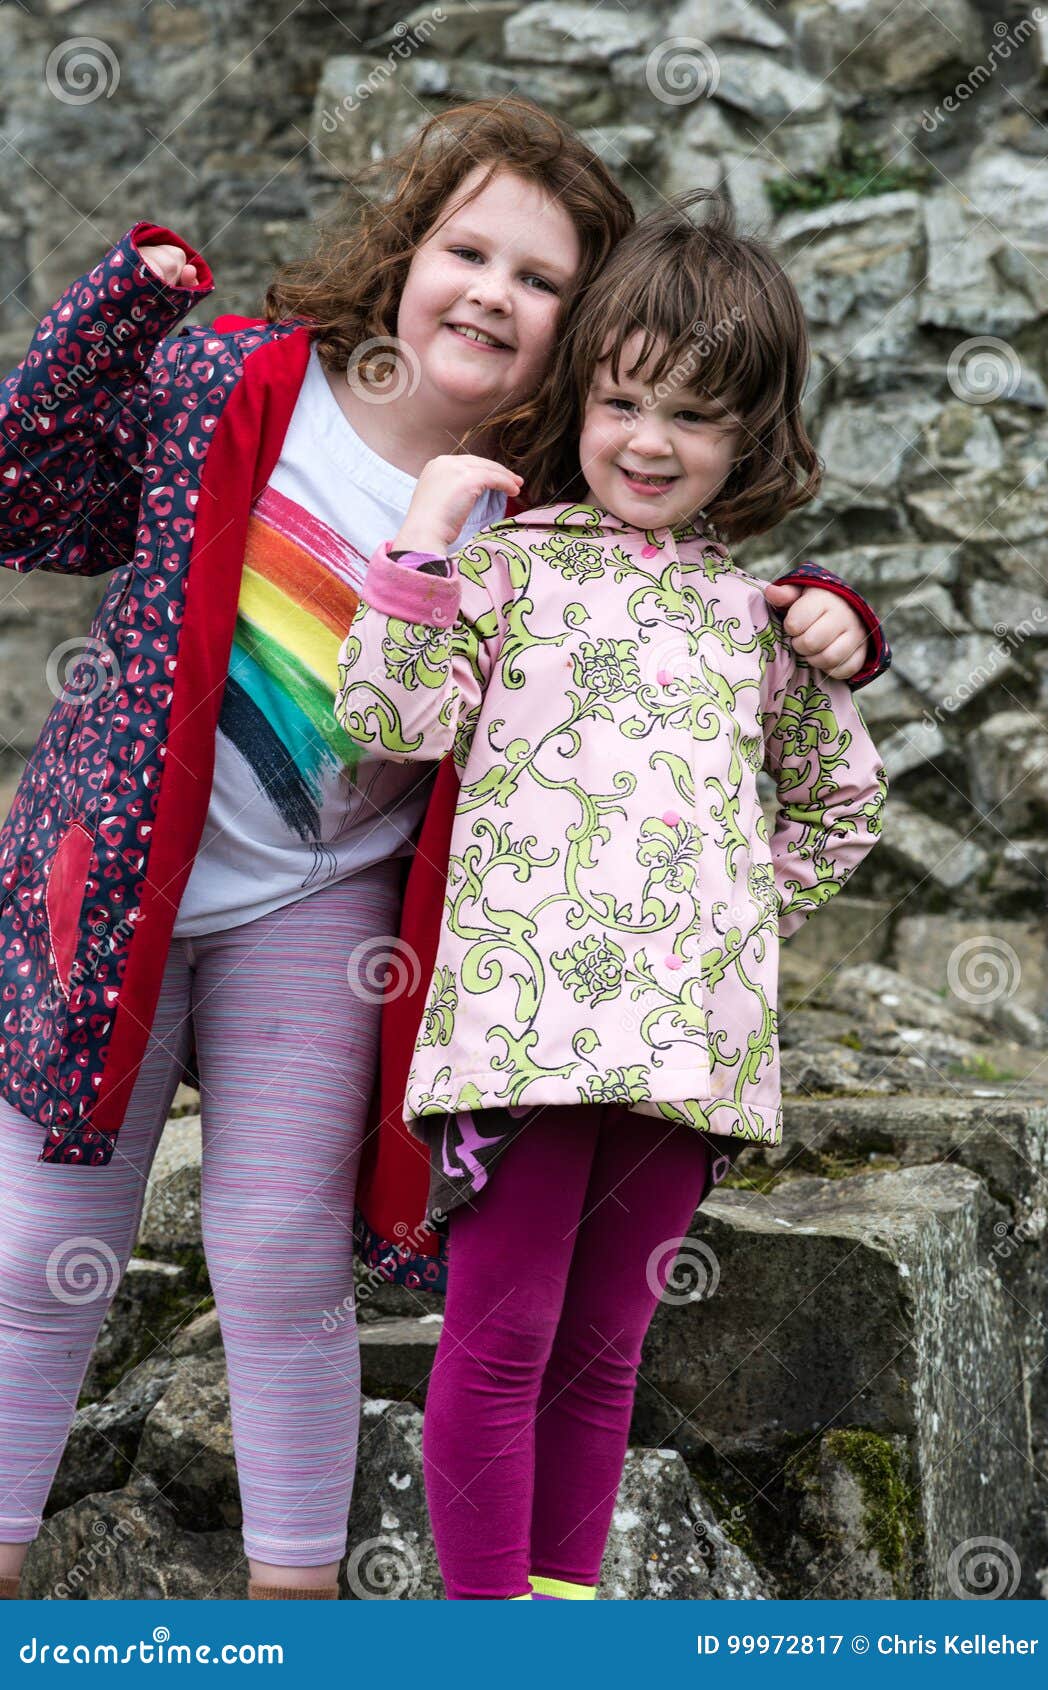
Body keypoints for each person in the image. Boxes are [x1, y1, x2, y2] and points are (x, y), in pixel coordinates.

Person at [0, 98, 885, 1602]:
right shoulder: (244, 383)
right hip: (124, 891)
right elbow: (28, 489)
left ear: (575, 331)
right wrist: (122, 303)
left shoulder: (534, 512)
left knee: (284, 1260)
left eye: (540, 280)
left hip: (325, 913)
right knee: (32, 1257)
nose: (492, 290)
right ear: (407, 253)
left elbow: (686, 604)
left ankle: (301, 1612)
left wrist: (818, 637)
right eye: (468, 248)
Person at [334, 189, 887, 1601]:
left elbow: (840, 800)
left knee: (602, 1357)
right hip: (522, 1032)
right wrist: (421, 541)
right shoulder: (511, 573)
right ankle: (486, 1626)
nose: (650, 441)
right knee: (498, 1339)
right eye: (625, 400)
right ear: (583, 393)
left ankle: (568, 1625)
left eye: (694, 417)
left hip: (686, 1052)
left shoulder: (755, 625)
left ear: (750, 439)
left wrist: (735, 916)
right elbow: (389, 722)